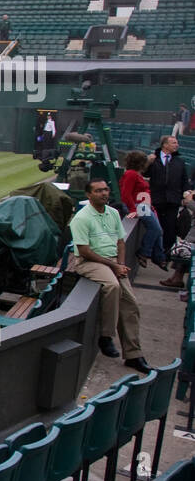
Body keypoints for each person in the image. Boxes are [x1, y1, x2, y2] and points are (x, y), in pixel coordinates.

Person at [69, 180, 151, 372]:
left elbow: (121, 242)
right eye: (98, 191)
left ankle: (133, 354)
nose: (104, 193)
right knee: (112, 286)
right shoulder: (81, 218)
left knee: (131, 304)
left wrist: (120, 265)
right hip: (90, 262)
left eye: (105, 189)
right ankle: (106, 337)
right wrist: (114, 265)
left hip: (112, 261)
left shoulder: (113, 213)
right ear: (89, 195)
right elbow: (84, 251)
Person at [120, 151, 166, 268]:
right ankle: (144, 253)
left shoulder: (136, 174)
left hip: (143, 205)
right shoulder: (131, 174)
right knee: (156, 229)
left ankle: (159, 257)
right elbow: (126, 194)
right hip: (138, 206)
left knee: (158, 230)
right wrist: (132, 209)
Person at [147, 135, 189, 254]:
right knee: (156, 227)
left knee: (170, 227)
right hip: (156, 199)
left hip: (173, 200)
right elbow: (144, 172)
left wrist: (186, 193)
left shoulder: (179, 161)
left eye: (177, 143)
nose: (177, 145)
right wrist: (148, 162)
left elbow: (184, 180)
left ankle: (166, 253)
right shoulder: (153, 159)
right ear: (165, 145)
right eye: (173, 143)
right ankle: (154, 251)